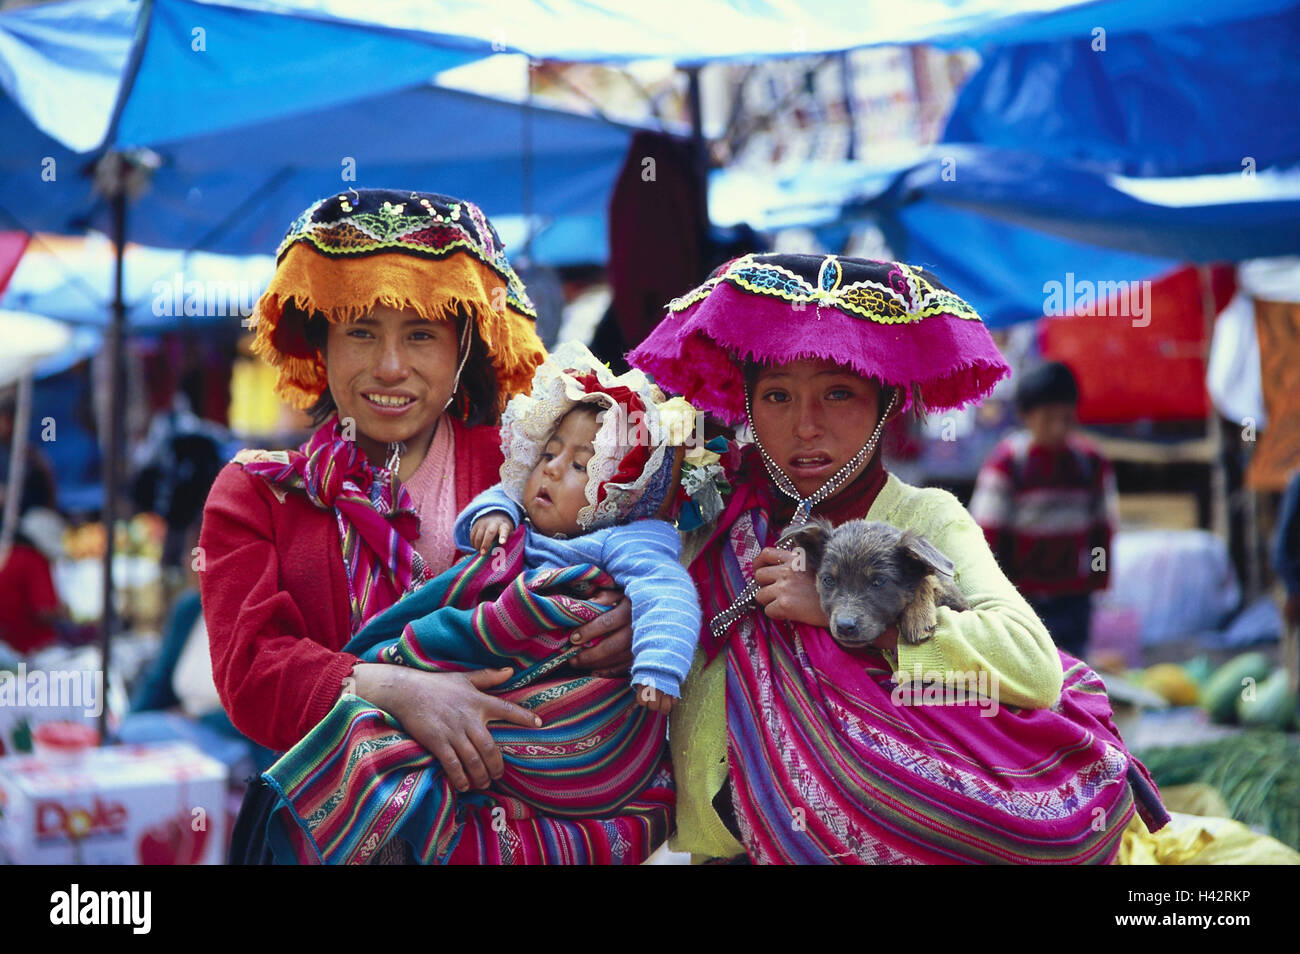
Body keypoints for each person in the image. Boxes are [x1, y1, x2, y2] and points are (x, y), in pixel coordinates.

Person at [627, 252, 1168, 863]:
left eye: (838, 393)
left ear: (885, 405)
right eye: (777, 396)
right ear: (748, 407)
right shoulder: (709, 517)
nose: (807, 426)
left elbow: (1033, 666)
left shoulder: (926, 515)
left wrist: (855, 614)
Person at [201, 189, 671, 865]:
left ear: (463, 348)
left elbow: (631, 563)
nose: (390, 367)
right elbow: (251, 673)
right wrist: (394, 687)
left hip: (529, 832)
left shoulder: (528, 470)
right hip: (343, 839)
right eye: (361, 330)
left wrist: (626, 624)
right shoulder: (258, 494)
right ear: (321, 342)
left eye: (420, 333)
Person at [256, 343, 704, 863]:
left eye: (582, 465)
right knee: (388, 746)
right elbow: (504, 494)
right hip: (472, 709)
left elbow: (666, 590)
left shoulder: (623, 539)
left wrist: (656, 665)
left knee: (439, 696)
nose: (552, 471)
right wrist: (495, 516)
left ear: (623, 493)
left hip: (573, 725)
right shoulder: (527, 511)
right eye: (549, 453)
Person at [968, 360, 1118, 657]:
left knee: (1073, 673)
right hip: (1022, 599)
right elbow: (987, 538)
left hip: (1074, 599)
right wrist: (998, 597)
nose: (1059, 428)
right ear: (1026, 416)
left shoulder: (1090, 463)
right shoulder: (1006, 465)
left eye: (1066, 417)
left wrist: (1097, 582)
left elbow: (1103, 530)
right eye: (1048, 418)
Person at [0, 508, 66, 655]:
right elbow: (45, 611)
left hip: (7, 647)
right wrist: (65, 613)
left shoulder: (9, 557)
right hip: (32, 649)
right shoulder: (33, 560)